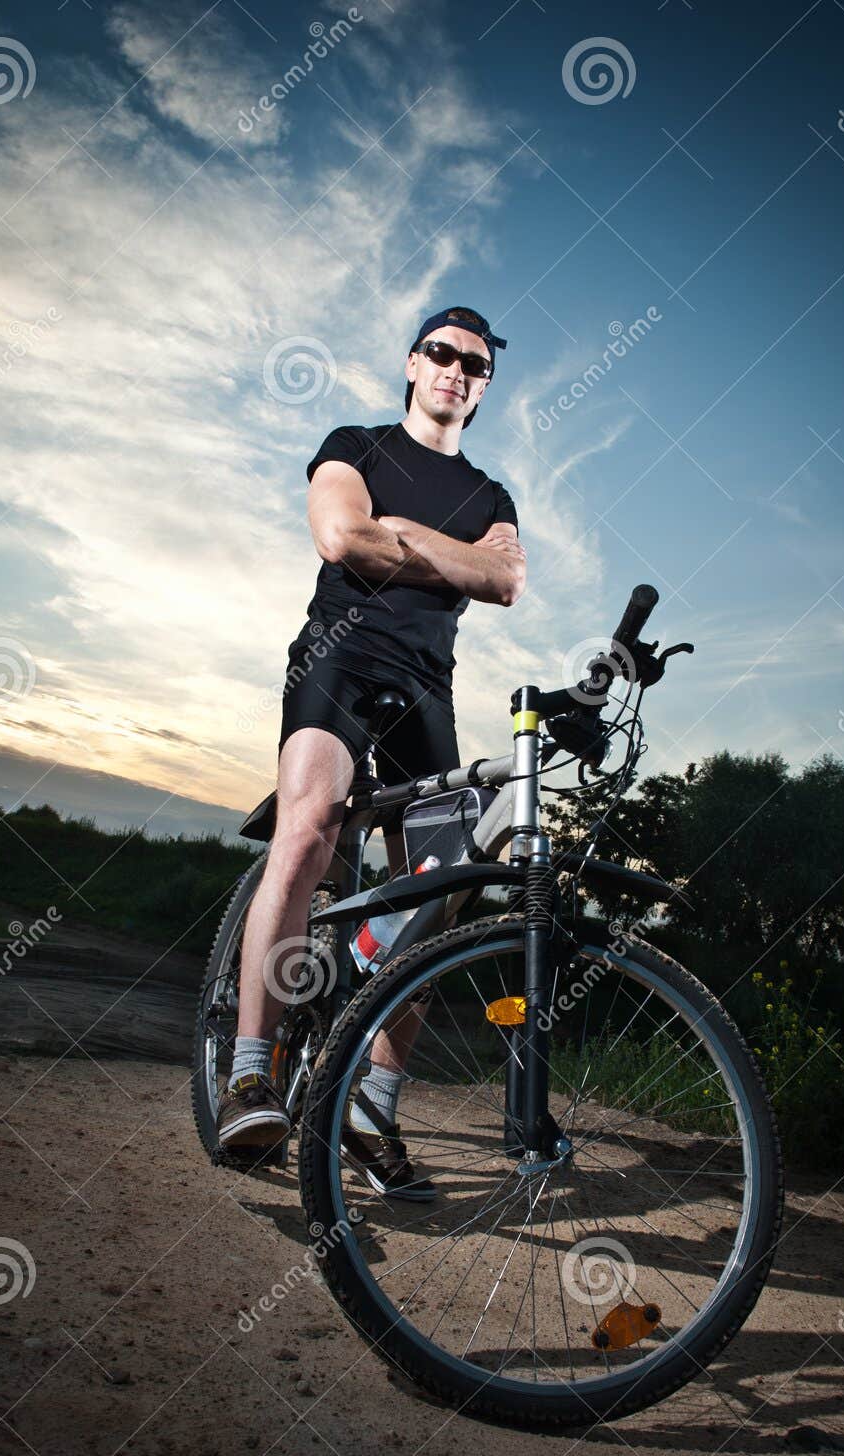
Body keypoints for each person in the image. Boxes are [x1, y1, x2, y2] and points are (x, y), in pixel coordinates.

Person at [216, 305, 526, 1197]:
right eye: (441, 353)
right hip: (338, 662)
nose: (456, 369)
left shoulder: (492, 496)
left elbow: (505, 579)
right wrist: (450, 556)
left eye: (475, 363)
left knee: (438, 894)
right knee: (308, 831)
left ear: (483, 385)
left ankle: (370, 1108)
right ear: (412, 363)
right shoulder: (355, 446)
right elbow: (340, 537)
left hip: (427, 686)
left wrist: (406, 537)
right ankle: (250, 1074)